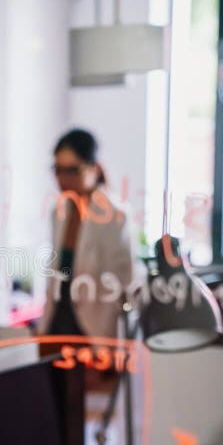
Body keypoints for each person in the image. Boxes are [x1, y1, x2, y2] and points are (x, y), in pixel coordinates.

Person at [38, 129, 134, 356]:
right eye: (58, 170)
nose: (63, 179)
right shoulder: (59, 211)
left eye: (71, 170)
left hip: (93, 322)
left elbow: (123, 280)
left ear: (94, 168)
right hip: (58, 315)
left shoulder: (115, 214)